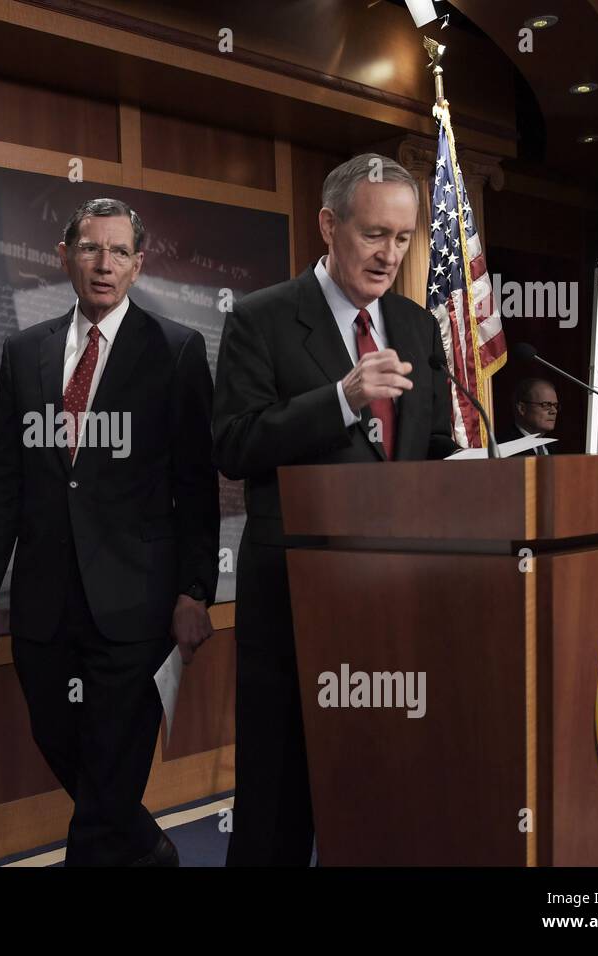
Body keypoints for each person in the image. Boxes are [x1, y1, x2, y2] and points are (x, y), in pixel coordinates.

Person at [212, 154, 457, 866]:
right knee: (276, 811)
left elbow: (432, 448)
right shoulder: (261, 319)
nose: (390, 254)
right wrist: (341, 400)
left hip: (397, 607)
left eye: (405, 238)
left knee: (379, 799)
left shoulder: (415, 326)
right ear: (328, 224)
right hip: (293, 608)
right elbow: (233, 443)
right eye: (375, 233)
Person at [0, 198, 219, 866]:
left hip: (136, 604)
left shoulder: (177, 350)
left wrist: (195, 589)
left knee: (109, 763)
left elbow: (195, 484)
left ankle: (114, 846)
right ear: (65, 255)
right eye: (90, 248)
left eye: (119, 252)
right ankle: (144, 846)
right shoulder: (25, 352)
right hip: (44, 602)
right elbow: (0, 478)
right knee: (64, 741)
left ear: (138, 264)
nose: (104, 264)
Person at [498, 377, 559, 455]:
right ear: (522, 409)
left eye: (555, 405)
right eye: (546, 405)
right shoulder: (504, 446)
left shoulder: (554, 447)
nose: (554, 411)